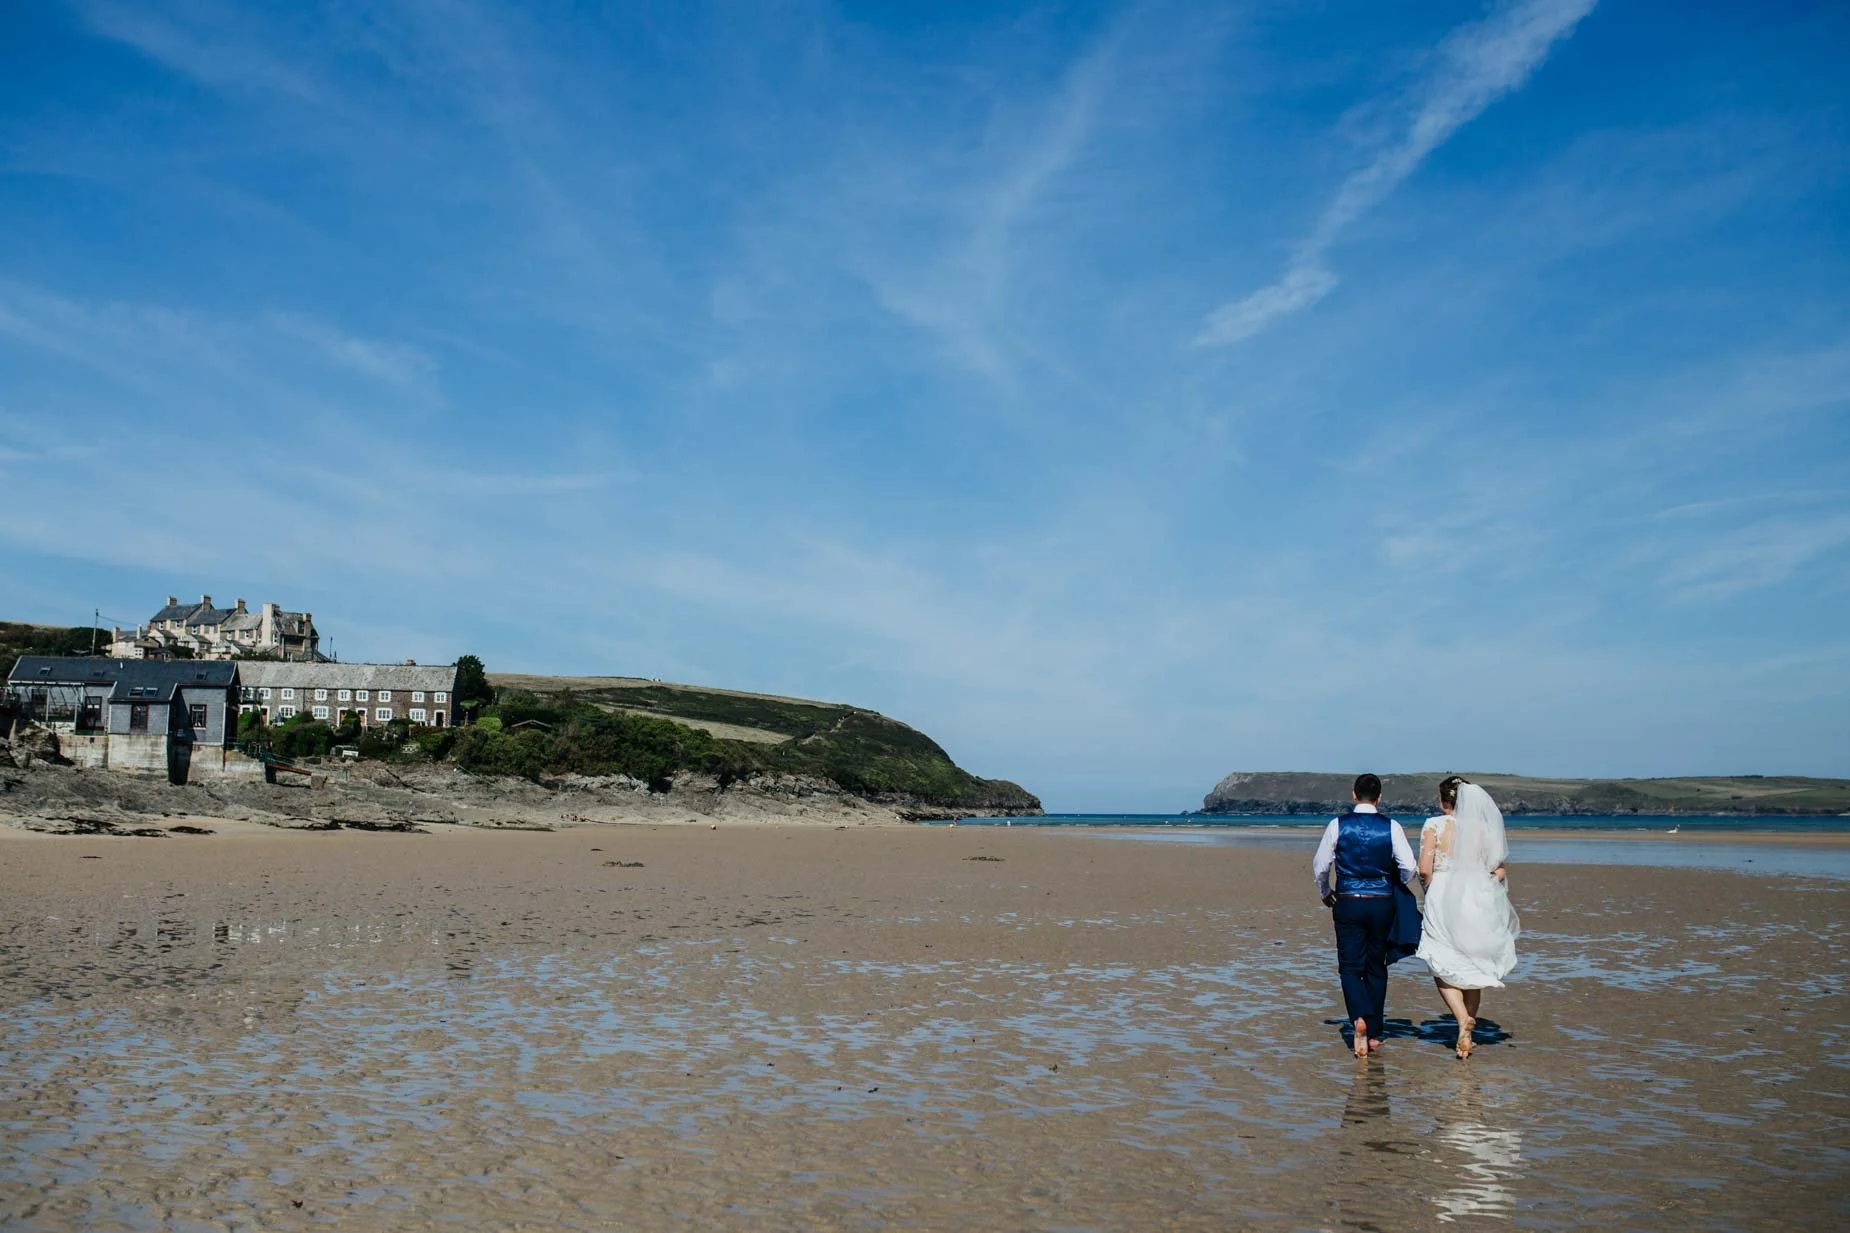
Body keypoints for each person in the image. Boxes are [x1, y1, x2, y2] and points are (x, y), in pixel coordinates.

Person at [1312, 773, 1421, 1058]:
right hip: (1382, 901)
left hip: (1348, 899)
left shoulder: (1338, 825)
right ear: (1380, 798)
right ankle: (1373, 1032)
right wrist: (1394, 883)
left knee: (1349, 967)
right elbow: (1409, 866)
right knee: (1376, 965)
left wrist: (1326, 892)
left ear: (1354, 794)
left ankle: (1358, 1018)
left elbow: (1321, 865)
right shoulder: (1391, 826)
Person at [1416, 776, 1521, 1059]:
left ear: (1443, 800)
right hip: (1475, 896)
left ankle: (1462, 1018)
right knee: (1473, 960)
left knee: (1439, 958)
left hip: (1443, 892)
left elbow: (1425, 868)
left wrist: (1428, 888)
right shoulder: (1483, 830)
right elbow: (1499, 871)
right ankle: (1467, 1032)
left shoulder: (1434, 826)